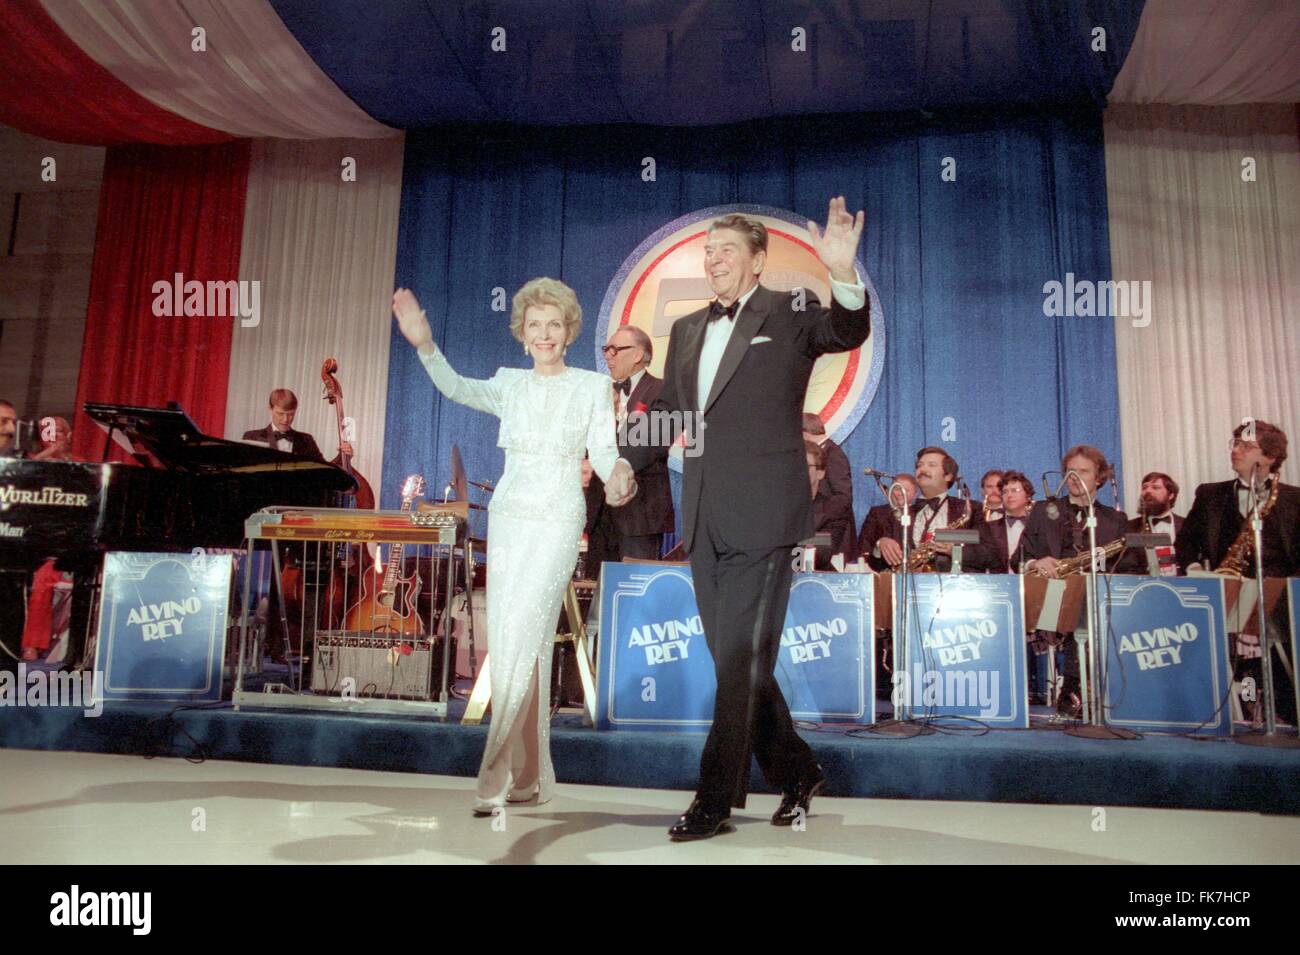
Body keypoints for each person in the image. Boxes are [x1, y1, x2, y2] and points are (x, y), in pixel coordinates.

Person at [620, 198, 870, 840]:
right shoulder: (689, 329)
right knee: (736, 660)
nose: (713, 260)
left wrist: (843, 275)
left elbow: (844, 332)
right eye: (707, 251)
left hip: (764, 517)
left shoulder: (788, 311)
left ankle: (714, 798)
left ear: (759, 260)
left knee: (739, 656)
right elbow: (670, 415)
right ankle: (798, 770)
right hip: (704, 518)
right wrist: (616, 463)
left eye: (726, 250)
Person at [392, 277, 635, 816]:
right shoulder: (508, 384)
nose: (544, 334)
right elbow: (455, 387)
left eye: (554, 324)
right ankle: (530, 777)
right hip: (508, 517)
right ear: (521, 334)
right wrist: (424, 344)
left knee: (521, 636)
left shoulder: (593, 386)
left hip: (555, 518)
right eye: (534, 326)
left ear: (569, 331)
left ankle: (494, 773)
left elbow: (606, 450)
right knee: (513, 640)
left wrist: (621, 477)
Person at [583, 324, 674, 564]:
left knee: (633, 588)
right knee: (597, 590)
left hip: (640, 512)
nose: (608, 356)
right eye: (606, 349)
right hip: (599, 511)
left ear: (637, 355)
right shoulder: (599, 392)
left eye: (615, 349)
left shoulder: (663, 390)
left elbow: (656, 440)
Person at [243, 389, 353, 462]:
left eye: (291, 414)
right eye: (280, 414)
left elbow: (323, 472)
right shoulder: (251, 437)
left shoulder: (307, 440)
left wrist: (342, 458)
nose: (286, 420)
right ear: (270, 409)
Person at [802, 413, 856, 558]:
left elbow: (844, 497)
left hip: (829, 537)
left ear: (804, 433)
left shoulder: (833, 453)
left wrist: (821, 518)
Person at [858, 473, 918, 571]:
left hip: (914, 572)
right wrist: (879, 544)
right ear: (890, 490)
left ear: (915, 493)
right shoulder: (877, 513)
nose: (900, 493)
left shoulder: (920, 513)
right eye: (896, 488)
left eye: (906, 490)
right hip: (880, 570)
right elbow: (863, 545)